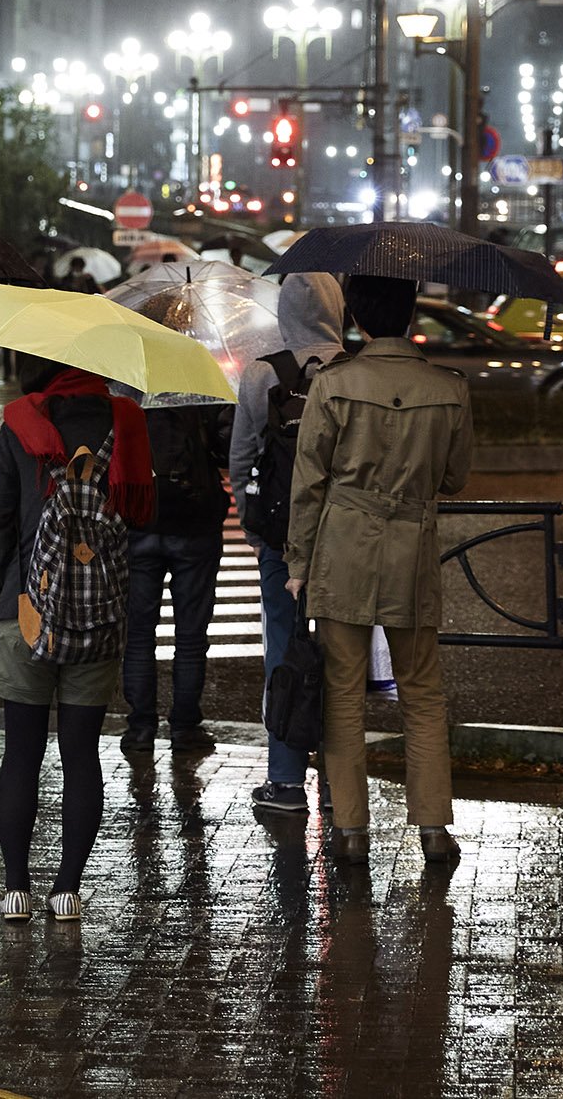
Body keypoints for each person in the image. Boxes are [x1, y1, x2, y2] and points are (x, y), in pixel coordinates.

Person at [285, 274, 473, 865]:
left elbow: (309, 481)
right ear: (411, 315)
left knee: (341, 693)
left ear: (357, 319)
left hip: (342, 546)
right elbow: (454, 477)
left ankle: (351, 832)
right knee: (422, 691)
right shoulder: (449, 389)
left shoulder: (335, 384)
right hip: (411, 548)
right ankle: (434, 829)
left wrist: (298, 561)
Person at [0, 357, 150, 920]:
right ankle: (68, 890)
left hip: (27, 609)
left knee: (21, 754)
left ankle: (15, 888)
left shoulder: (21, 423)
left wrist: (12, 584)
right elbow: (142, 513)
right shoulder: (126, 422)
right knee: (81, 754)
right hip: (99, 614)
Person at [228, 273, 346, 813]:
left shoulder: (263, 374)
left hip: (279, 533)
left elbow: (242, 458)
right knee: (345, 651)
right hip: (346, 533)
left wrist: (253, 528)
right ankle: (342, 775)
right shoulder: (355, 370)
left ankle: (285, 779)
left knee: (282, 645)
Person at [119, 397, 231, 754]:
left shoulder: (127, 392)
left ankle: (140, 728)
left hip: (139, 518)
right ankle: (184, 727)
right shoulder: (201, 389)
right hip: (195, 523)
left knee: (138, 634)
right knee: (191, 635)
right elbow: (229, 449)